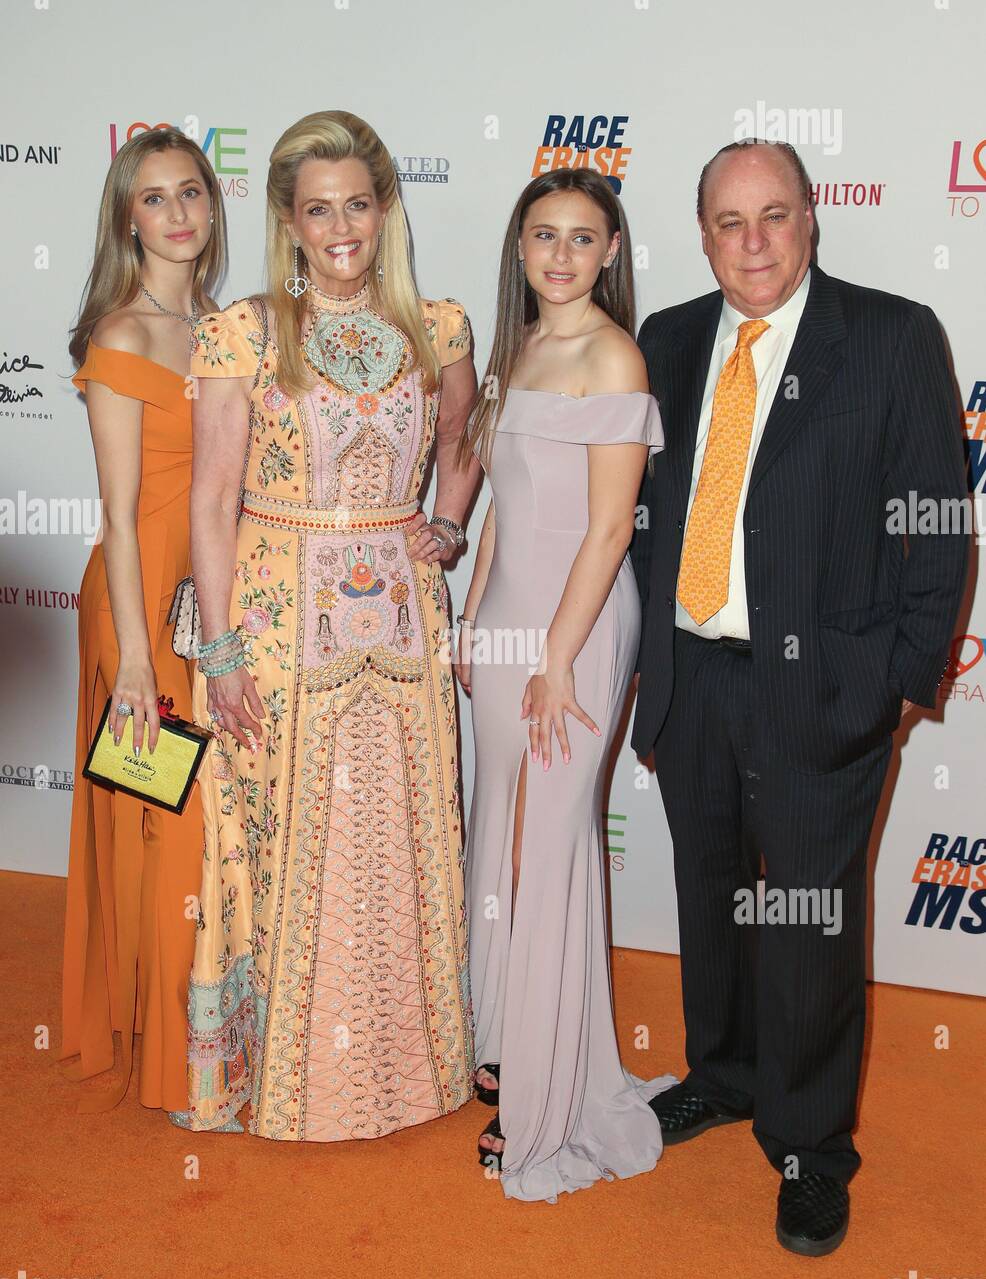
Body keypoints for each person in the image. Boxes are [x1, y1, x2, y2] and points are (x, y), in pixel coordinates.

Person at [629, 139, 969, 1254]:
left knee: (808, 926)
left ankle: (809, 1146)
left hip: (820, 692)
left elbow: (934, 518)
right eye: (730, 222)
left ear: (811, 217)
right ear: (702, 235)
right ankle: (721, 1073)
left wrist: (895, 683)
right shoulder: (668, 341)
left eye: (773, 215)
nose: (754, 242)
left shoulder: (888, 335)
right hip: (690, 682)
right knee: (713, 899)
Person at [173, 110, 481, 1141]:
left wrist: (444, 522)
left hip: (398, 620)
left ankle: (410, 1064)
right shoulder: (246, 331)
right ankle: (284, 1076)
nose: (340, 227)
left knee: (397, 836)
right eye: (318, 210)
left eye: (356, 203)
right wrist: (218, 652)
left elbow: (462, 440)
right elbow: (212, 500)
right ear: (288, 221)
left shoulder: (438, 326)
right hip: (272, 617)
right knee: (277, 839)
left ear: (384, 208)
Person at [456, 168, 676, 1202]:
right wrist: (469, 617)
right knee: (497, 821)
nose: (558, 255)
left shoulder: (610, 355)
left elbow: (604, 526)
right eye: (541, 235)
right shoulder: (515, 351)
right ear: (519, 247)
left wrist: (551, 655)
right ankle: (502, 1033)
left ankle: (547, 1096)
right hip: (504, 613)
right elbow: (501, 501)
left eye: (580, 239)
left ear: (610, 253)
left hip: (576, 626)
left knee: (548, 842)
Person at [61, 128, 225, 1113]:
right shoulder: (120, 336)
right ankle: (172, 1065)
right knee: (171, 818)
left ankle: (182, 1024)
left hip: (196, 603)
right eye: (155, 197)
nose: (176, 214)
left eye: (191, 194)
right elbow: (118, 515)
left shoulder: (218, 324)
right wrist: (131, 659)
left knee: (189, 826)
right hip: (133, 609)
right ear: (128, 216)